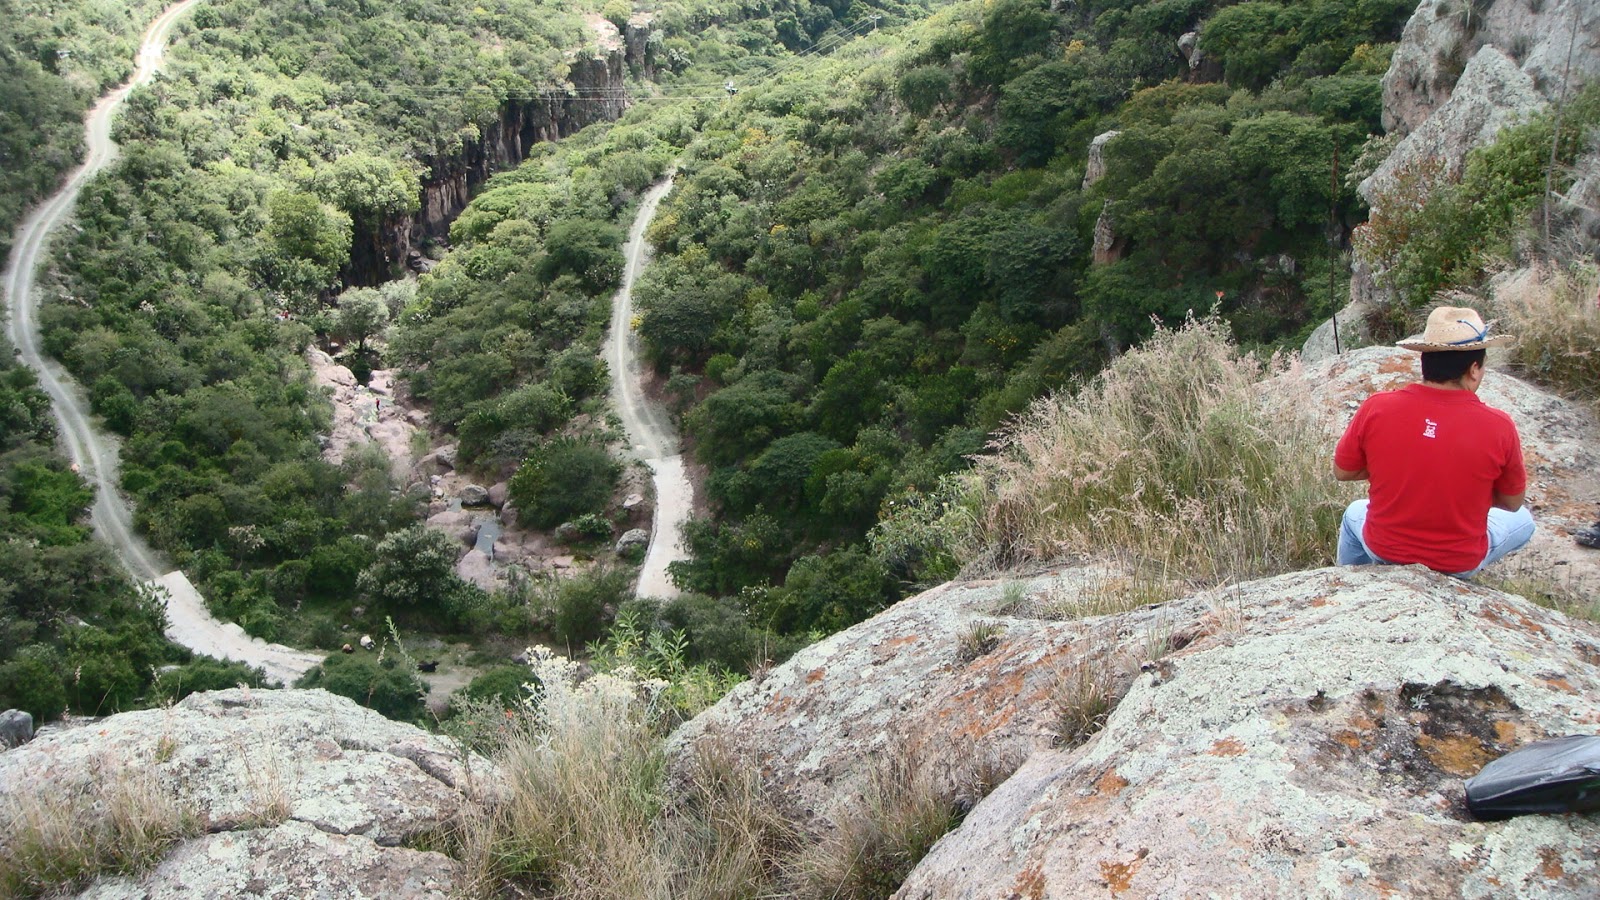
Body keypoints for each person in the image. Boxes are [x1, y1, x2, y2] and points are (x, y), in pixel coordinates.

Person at [1333, 305, 1535, 576]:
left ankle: (1351, 582)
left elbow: (1343, 471)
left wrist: (1402, 467)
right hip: (1459, 562)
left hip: (1384, 549)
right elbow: (1512, 503)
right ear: (1474, 369)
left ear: (1424, 360)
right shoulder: (1499, 425)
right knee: (1525, 520)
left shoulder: (1377, 407)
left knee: (1354, 513)